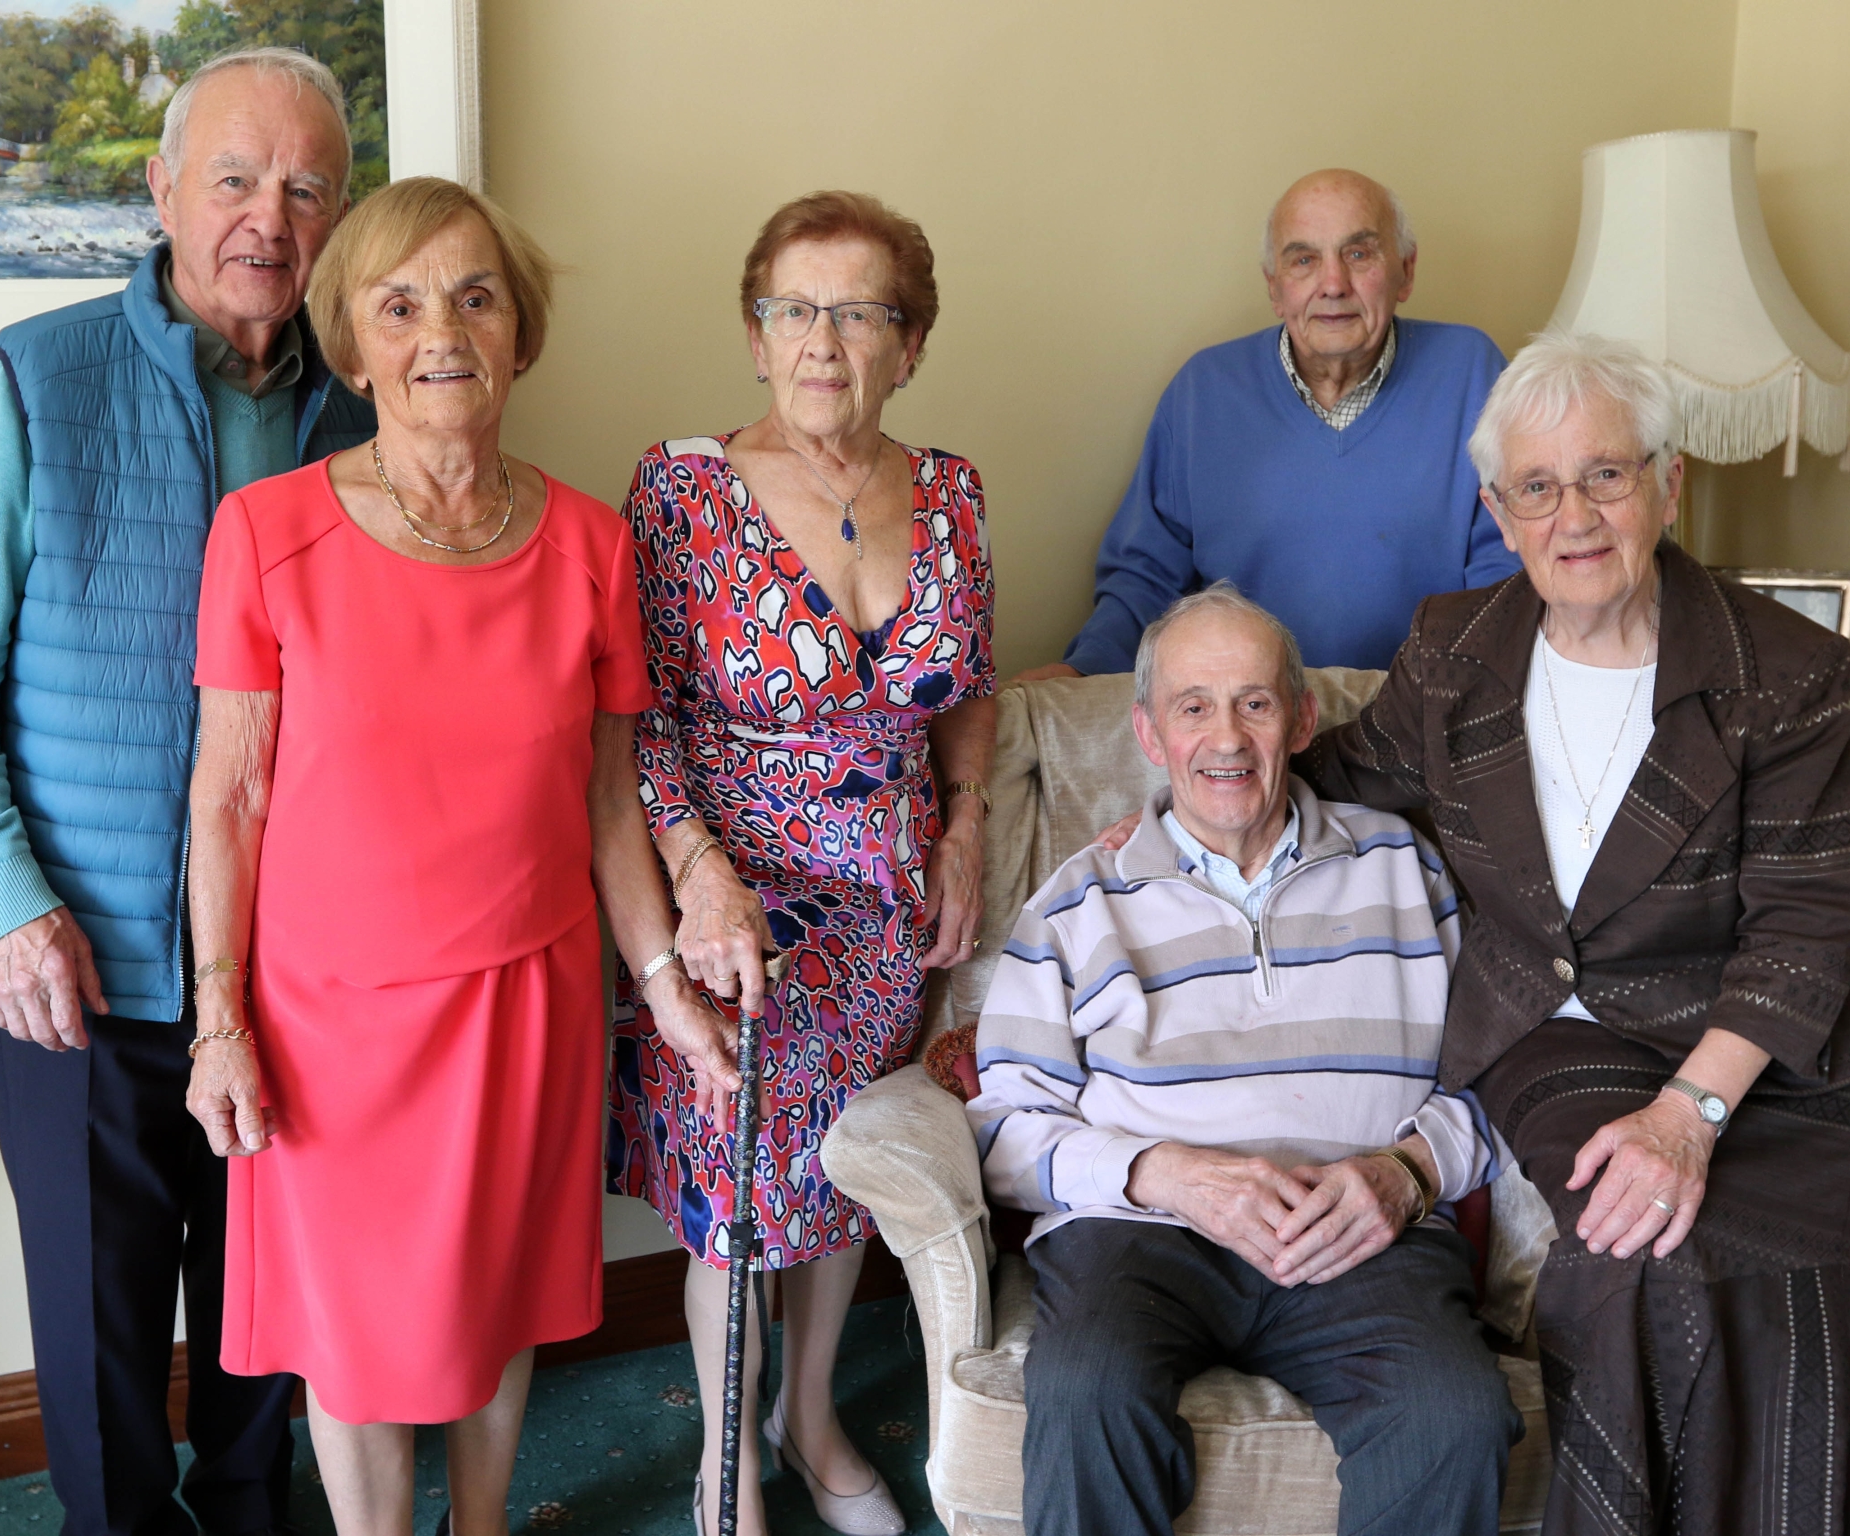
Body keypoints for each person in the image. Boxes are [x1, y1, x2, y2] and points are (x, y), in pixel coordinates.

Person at [183, 176, 739, 1534]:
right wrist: (219, 1022)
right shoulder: (266, 535)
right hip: (331, 1021)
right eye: (403, 303)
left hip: (529, 1000)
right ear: (354, 346)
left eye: (477, 297)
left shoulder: (593, 546)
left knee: (499, 1306)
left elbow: (608, 801)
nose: (444, 331)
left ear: (520, 337)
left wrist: (661, 982)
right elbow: (230, 799)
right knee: (354, 1345)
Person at [1301, 330, 1850, 1533]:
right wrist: (1213, 764)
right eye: (1538, 487)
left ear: (1669, 484)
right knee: (1637, 1260)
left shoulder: (1792, 675)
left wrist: (1690, 1117)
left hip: (1754, 1052)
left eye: (1607, 474)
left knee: (1783, 1264)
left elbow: (1805, 927)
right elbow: (1339, 778)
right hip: (1555, 1037)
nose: (1577, 515)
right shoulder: (1452, 654)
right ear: (1500, 512)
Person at [0, 48, 373, 1536]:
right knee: (104, 1347)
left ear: (344, 214)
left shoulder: (372, 423)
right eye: (235, 177)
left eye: (308, 186)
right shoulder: (38, 385)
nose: (269, 217)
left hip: (295, 970)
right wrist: (6, 904)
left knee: (268, 1322)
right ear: (160, 188)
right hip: (79, 967)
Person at [968, 585, 1521, 1536]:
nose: (1226, 738)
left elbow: (1501, 1078)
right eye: (1194, 706)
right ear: (1149, 734)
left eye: (1255, 703)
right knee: (1088, 1388)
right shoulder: (1075, 902)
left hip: (1360, 1226)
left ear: (1302, 718)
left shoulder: (1407, 867)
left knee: (1452, 1414)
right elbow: (1004, 1131)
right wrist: (1160, 1174)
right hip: (1137, 1233)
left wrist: (1407, 1174)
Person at [608, 189, 996, 1536]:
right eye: (794, 308)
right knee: (734, 1205)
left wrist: (966, 824)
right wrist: (698, 875)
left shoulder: (950, 491)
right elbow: (634, 720)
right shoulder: (680, 492)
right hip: (735, 913)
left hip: (888, 911)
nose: (823, 339)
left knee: (847, 1179)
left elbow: (969, 686)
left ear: (912, 342)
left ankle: (813, 1415)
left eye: (860, 311)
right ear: (756, 333)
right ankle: (731, 1462)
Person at [1019, 168, 1516, 682]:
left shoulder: (1471, 370)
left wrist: (1451, 695)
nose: (1333, 285)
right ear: (1275, 288)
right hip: (1245, 722)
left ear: (1406, 272)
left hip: (1427, 705)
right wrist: (1084, 670)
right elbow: (1146, 580)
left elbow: (1508, 563)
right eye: (1304, 260)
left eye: (1359, 253)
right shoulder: (1203, 392)